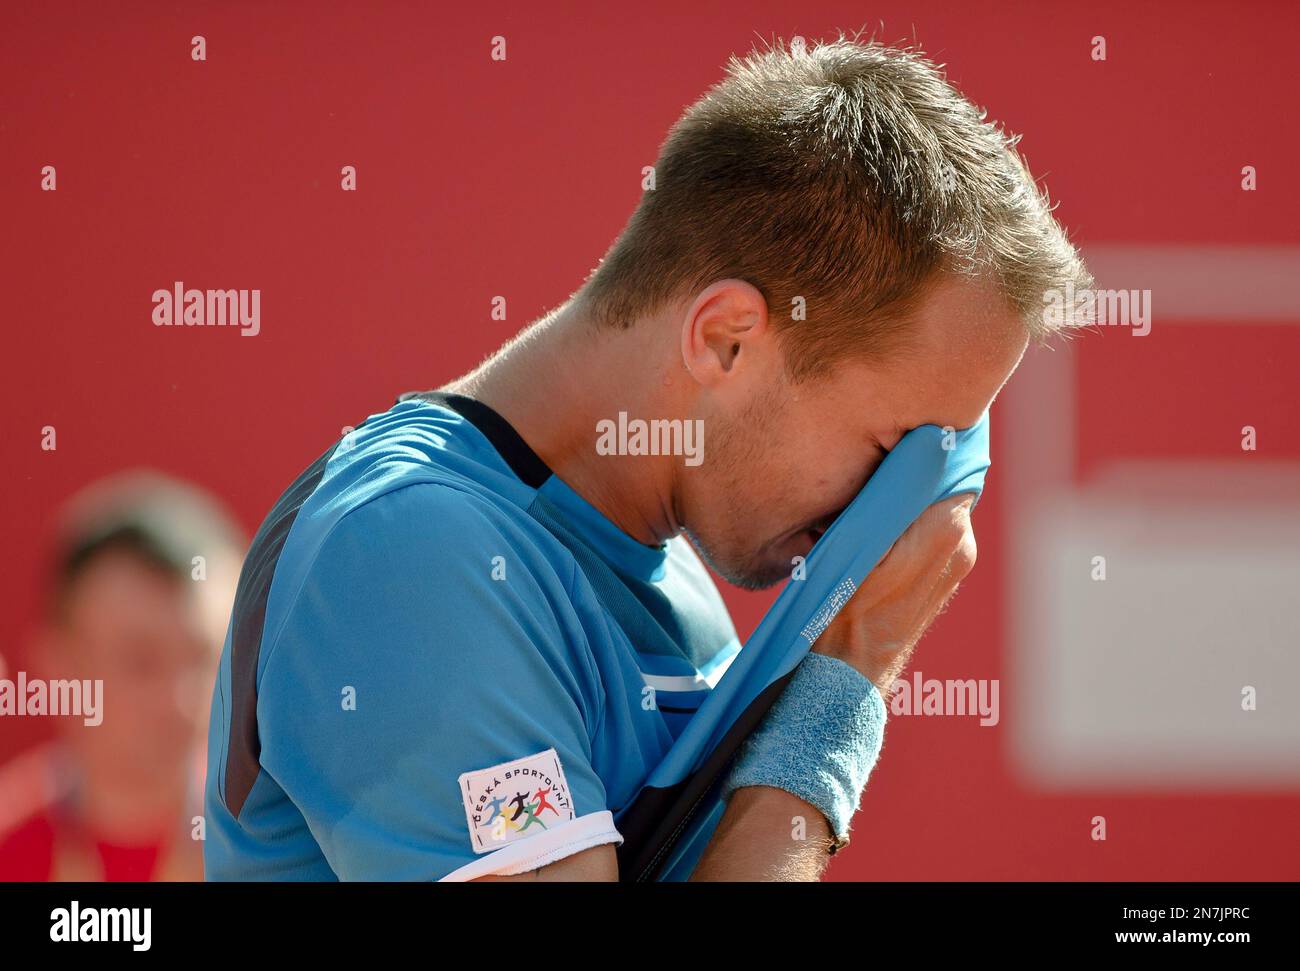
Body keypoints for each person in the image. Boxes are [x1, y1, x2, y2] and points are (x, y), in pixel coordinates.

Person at [204, 35, 1093, 882]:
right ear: (727, 341)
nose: (912, 514)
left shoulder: (676, 585)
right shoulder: (409, 557)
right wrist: (847, 677)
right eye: (896, 448)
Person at [0, 473, 243, 881]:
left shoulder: (280, 850)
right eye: (141, 661)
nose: (180, 699)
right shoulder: (10, 842)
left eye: (204, 658)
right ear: (60, 668)